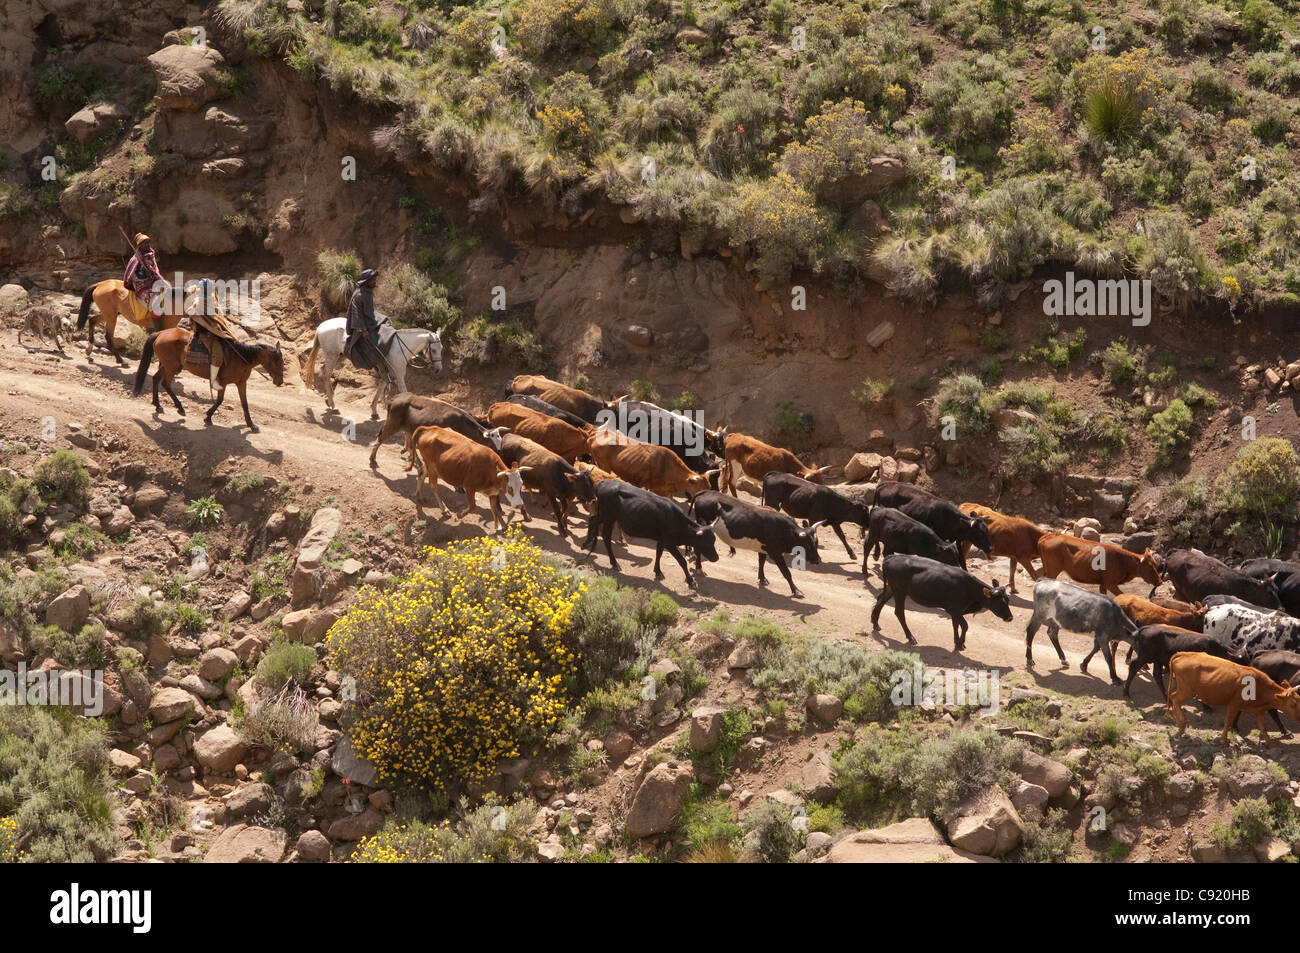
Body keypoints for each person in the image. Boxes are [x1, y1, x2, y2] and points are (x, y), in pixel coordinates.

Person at [344, 268, 397, 384]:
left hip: (369, 319)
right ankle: (382, 371)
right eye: (373, 280)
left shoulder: (367, 292)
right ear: (366, 281)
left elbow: (369, 311)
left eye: (375, 279)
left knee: (386, 322)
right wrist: (363, 330)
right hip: (361, 325)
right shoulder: (359, 295)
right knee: (374, 343)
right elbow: (357, 314)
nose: (375, 282)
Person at [188, 277, 241, 389]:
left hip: (215, 330)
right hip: (205, 334)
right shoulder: (199, 302)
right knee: (217, 354)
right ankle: (213, 380)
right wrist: (195, 312)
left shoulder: (212, 299)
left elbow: (216, 317)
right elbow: (190, 312)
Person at [123, 233, 165, 328]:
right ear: (140, 246)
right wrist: (145, 275)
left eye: (148, 242)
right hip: (141, 284)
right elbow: (133, 276)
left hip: (153, 281)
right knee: (154, 301)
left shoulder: (151, 255)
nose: (147, 245)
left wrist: (154, 275)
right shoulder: (135, 260)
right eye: (144, 243)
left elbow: (155, 269)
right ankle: (156, 329)